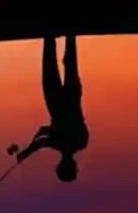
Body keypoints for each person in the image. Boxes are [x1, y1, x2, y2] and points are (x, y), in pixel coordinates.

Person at [8, 35, 88, 182]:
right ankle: (51, 33)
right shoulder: (62, 142)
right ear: (60, 166)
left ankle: (69, 32)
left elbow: (45, 136)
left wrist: (31, 147)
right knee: (51, 62)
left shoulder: (81, 142)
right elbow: (42, 140)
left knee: (70, 61)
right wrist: (26, 153)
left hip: (71, 96)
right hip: (56, 101)